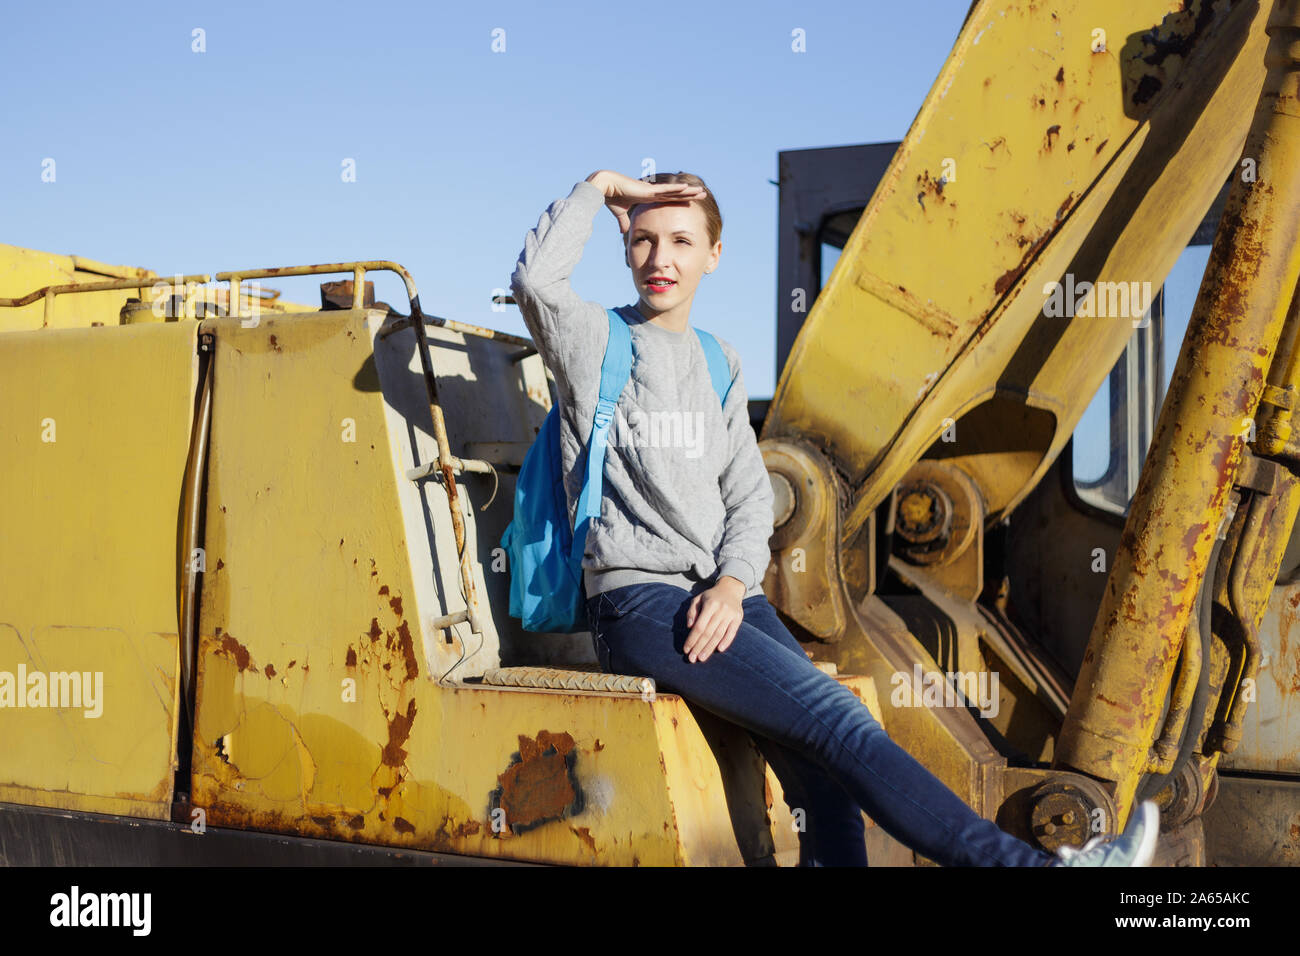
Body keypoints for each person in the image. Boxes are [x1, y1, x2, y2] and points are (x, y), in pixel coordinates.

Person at [508, 167, 1159, 867]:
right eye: (642, 239)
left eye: (680, 240)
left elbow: (751, 497)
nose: (659, 259)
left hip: (726, 599)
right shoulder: (595, 344)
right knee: (838, 721)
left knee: (823, 776)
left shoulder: (718, 360)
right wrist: (601, 187)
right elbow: (537, 282)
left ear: (713, 254)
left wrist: (732, 584)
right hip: (640, 604)